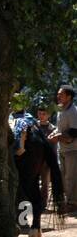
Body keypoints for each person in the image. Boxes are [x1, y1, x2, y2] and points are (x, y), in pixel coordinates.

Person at [18, 100, 65, 237]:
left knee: (38, 187)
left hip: (42, 162)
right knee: (34, 191)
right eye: (40, 112)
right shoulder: (34, 124)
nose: (41, 114)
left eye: (44, 112)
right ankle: (35, 230)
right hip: (42, 158)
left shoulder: (39, 125)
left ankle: (33, 230)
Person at [49, 84, 77, 214]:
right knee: (64, 176)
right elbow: (59, 128)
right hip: (62, 149)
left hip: (73, 150)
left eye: (61, 94)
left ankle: (72, 203)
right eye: (58, 94)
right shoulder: (60, 110)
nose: (58, 96)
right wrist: (54, 132)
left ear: (69, 97)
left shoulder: (73, 111)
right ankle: (68, 202)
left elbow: (74, 132)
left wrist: (58, 136)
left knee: (71, 177)